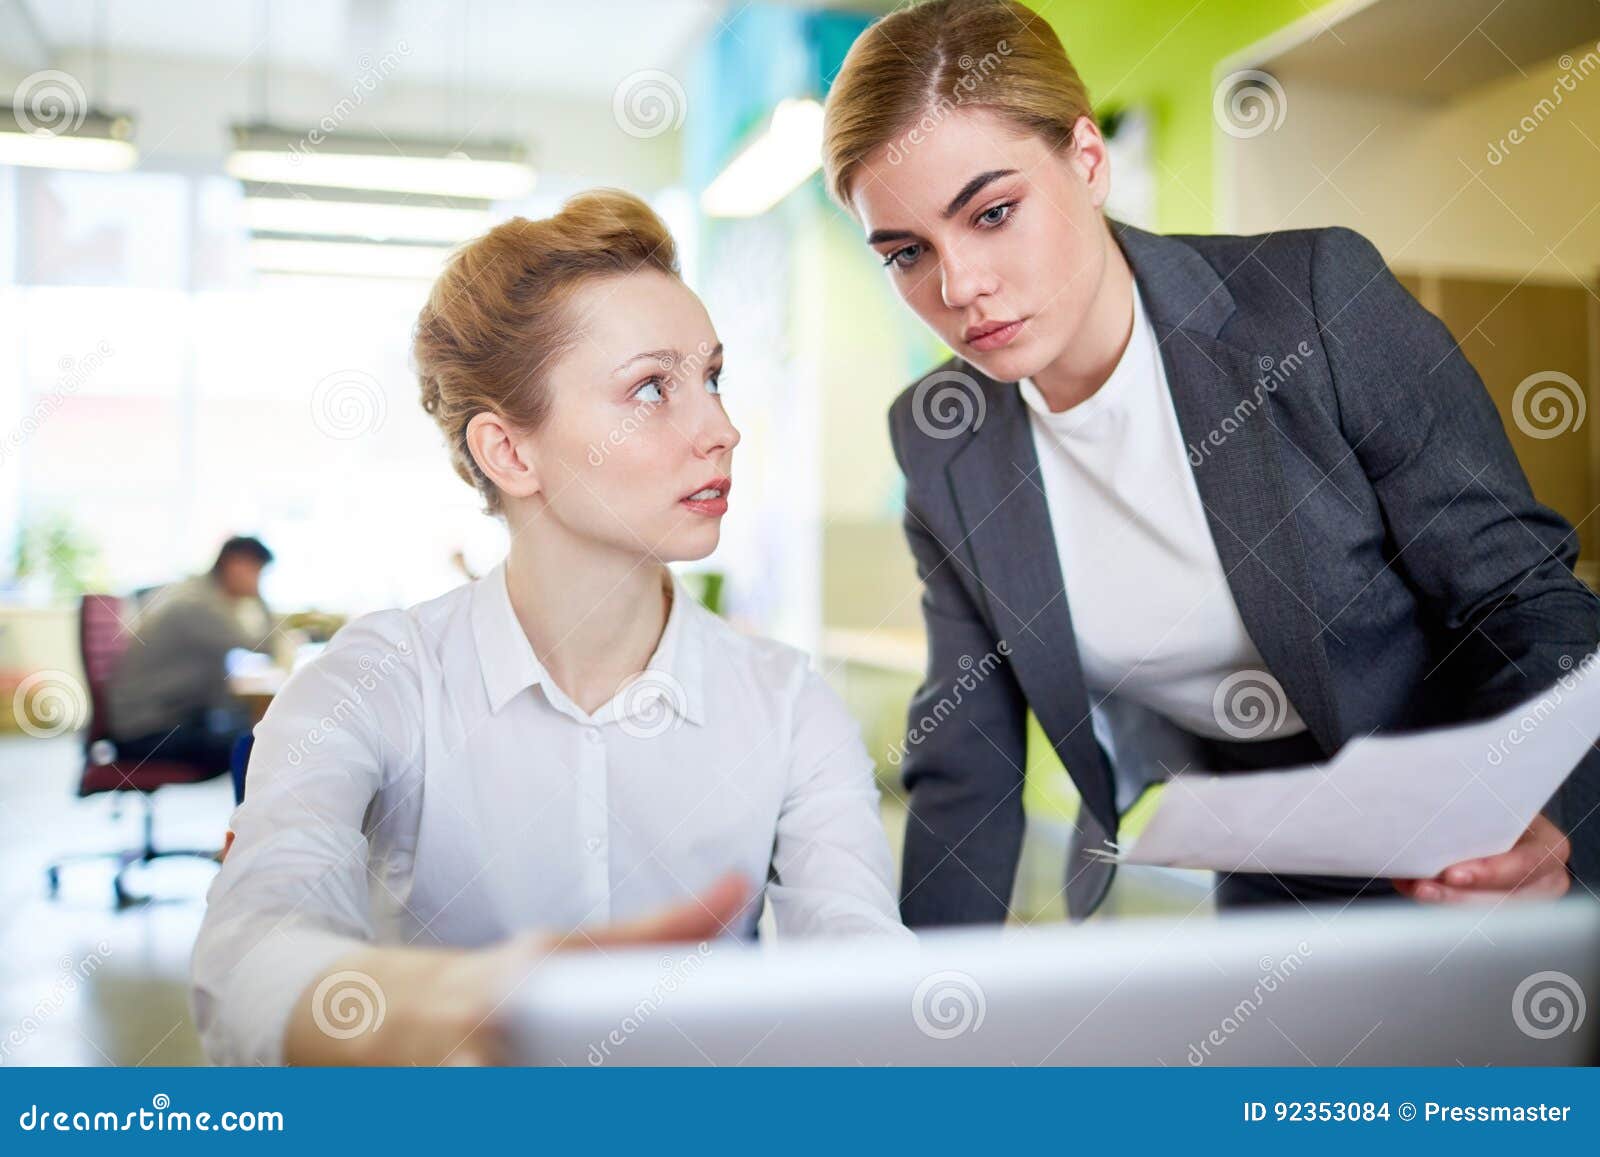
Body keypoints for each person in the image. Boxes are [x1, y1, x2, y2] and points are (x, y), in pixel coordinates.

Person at [821, 0, 1599, 924]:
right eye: (906, 253)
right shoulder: (942, 438)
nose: (958, 288)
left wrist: (1551, 815)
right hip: (1267, 854)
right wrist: (927, 1015)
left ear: (1087, 159)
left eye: (993, 212)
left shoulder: (1310, 306)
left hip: (1476, 833)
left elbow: (1523, 598)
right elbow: (969, 753)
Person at [190, 190, 905, 1067]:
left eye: (711, 376)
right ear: (510, 452)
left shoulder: (790, 703)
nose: (721, 429)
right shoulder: (374, 680)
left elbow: (860, 957)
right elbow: (249, 953)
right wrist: (457, 1003)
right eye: (651, 388)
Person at [107, 535, 275, 772]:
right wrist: (260, 598)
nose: (257, 581)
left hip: (157, 721)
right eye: (257, 573)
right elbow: (261, 647)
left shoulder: (196, 592)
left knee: (252, 732)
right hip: (147, 732)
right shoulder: (198, 604)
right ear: (235, 564)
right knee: (259, 744)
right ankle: (255, 811)